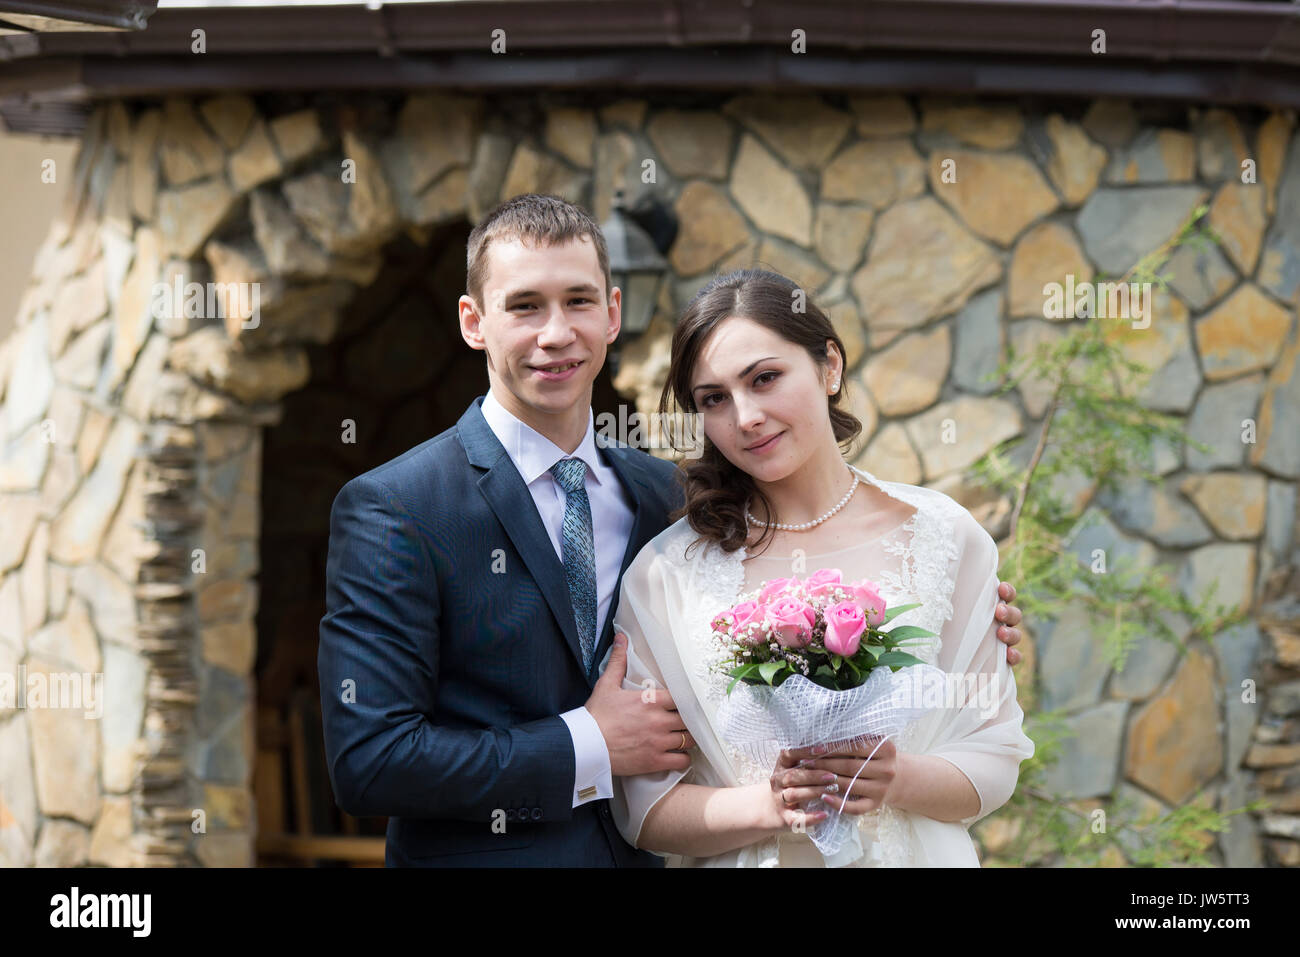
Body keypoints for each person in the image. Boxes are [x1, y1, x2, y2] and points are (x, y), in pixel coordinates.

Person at [318, 194, 1025, 867]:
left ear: (612, 313)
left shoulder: (670, 501)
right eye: (525, 306)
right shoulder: (396, 507)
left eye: (578, 301)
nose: (556, 332)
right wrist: (588, 742)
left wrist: (951, 611)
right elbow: (370, 761)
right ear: (474, 322)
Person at [606, 268, 1035, 867]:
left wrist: (895, 777)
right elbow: (644, 812)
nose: (746, 415)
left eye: (766, 378)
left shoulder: (945, 536)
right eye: (714, 399)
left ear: (829, 366)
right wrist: (771, 804)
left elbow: (995, 758)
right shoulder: (667, 572)